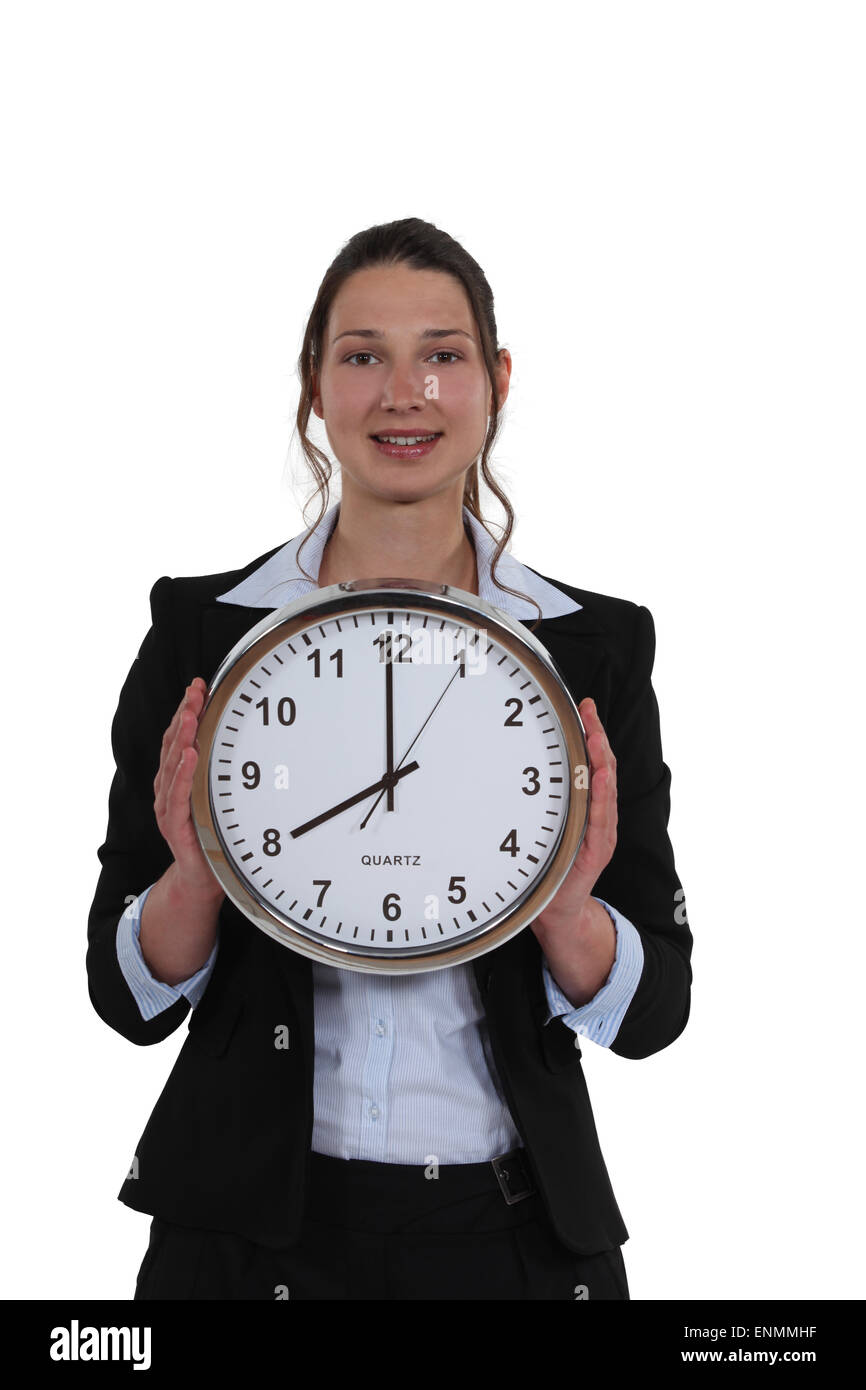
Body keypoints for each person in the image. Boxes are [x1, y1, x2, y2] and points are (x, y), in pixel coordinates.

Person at [87, 217, 692, 1301]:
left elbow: (655, 1014)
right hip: (245, 1244)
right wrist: (196, 877)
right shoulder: (202, 633)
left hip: (511, 1242)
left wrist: (562, 907)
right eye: (363, 355)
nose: (403, 393)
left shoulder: (592, 646)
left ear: (495, 381)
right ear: (315, 387)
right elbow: (124, 997)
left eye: (441, 354)